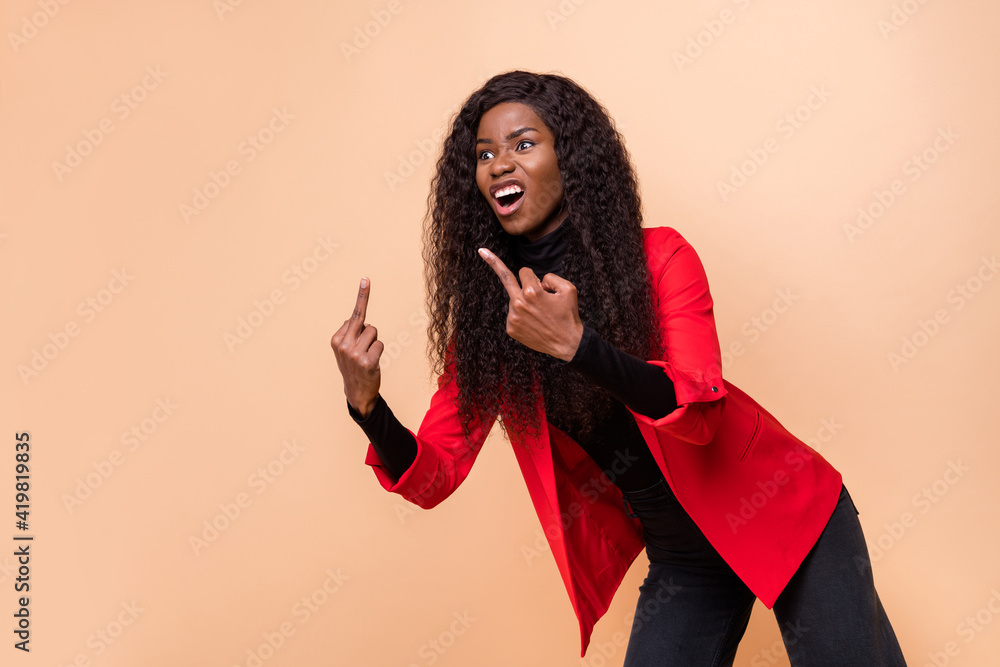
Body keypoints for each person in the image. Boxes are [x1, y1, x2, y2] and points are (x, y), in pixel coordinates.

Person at [331, 70, 907, 666]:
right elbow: (435, 476)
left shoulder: (661, 258)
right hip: (685, 558)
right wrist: (369, 409)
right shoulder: (490, 329)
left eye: (524, 143)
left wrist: (579, 346)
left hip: (786, 516)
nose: (500, 162)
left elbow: (698, 415)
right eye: (485, 153)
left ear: (571, 157)